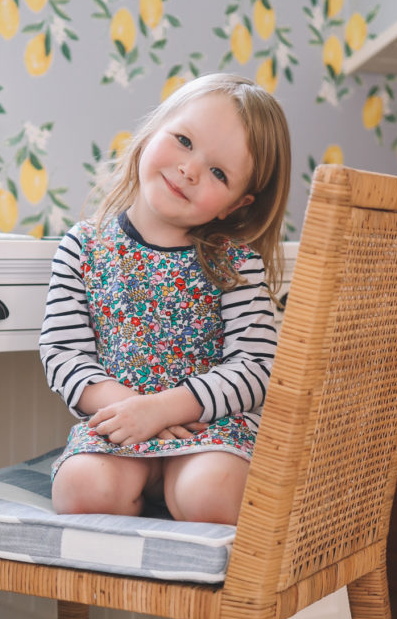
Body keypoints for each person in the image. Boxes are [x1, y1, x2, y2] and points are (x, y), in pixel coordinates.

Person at [39, 73, 291, 526]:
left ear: (236, 204)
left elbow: (256, 367)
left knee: (210, 494)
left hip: (209, 429)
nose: (190, 170)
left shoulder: (235, 262)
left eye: (219, 173)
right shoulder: (84, 246)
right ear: (153, 131)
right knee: (81, 490)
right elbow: (63, 353)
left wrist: (162, 410)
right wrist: (134, 410)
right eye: (184, 141)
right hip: (119, 424)